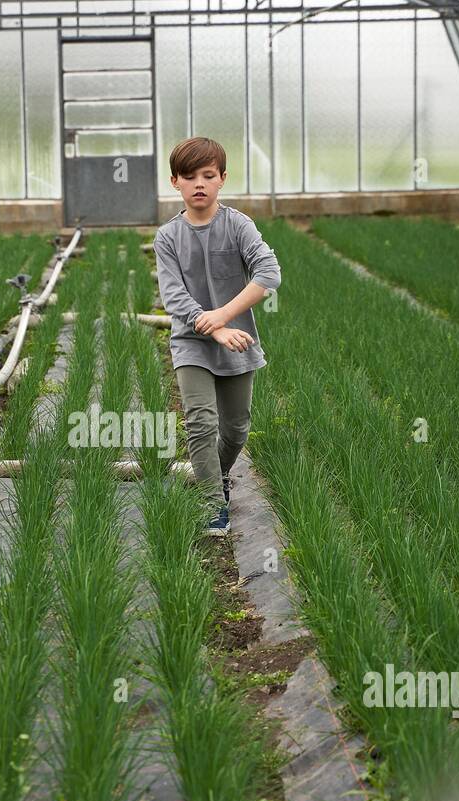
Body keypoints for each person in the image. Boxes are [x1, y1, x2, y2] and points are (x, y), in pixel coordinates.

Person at [152, 136, 282, 536]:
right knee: (200, 421)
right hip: (191, 342)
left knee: (237, 427)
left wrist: (225, 319)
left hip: (238, 340)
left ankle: (217, 476)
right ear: (175, 182)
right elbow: (174, 296)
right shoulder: (168, 237)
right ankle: (210, 503)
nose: (199, 184)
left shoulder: (238, 225)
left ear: (222, 178)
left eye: (208, 175)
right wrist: (213, 327)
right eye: (189, 177)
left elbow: (269, 273)